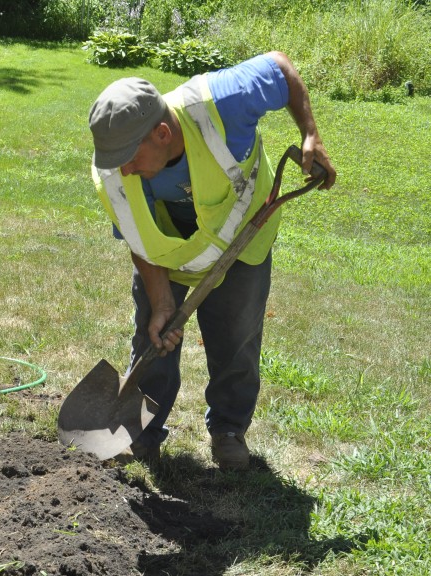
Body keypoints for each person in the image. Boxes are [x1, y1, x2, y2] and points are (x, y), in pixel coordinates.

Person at [87, 52, 336, 470]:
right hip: (170, 247)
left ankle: (228, 430)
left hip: (242, 234)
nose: (123, 170)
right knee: (154, 333)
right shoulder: (115, 171)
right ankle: (140, 433)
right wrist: (161, 298)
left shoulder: (223, 102)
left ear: (163, 133)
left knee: (235, 337)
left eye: (130, 157)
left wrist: (311, 133)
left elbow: (280, 67)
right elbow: (137, 234)